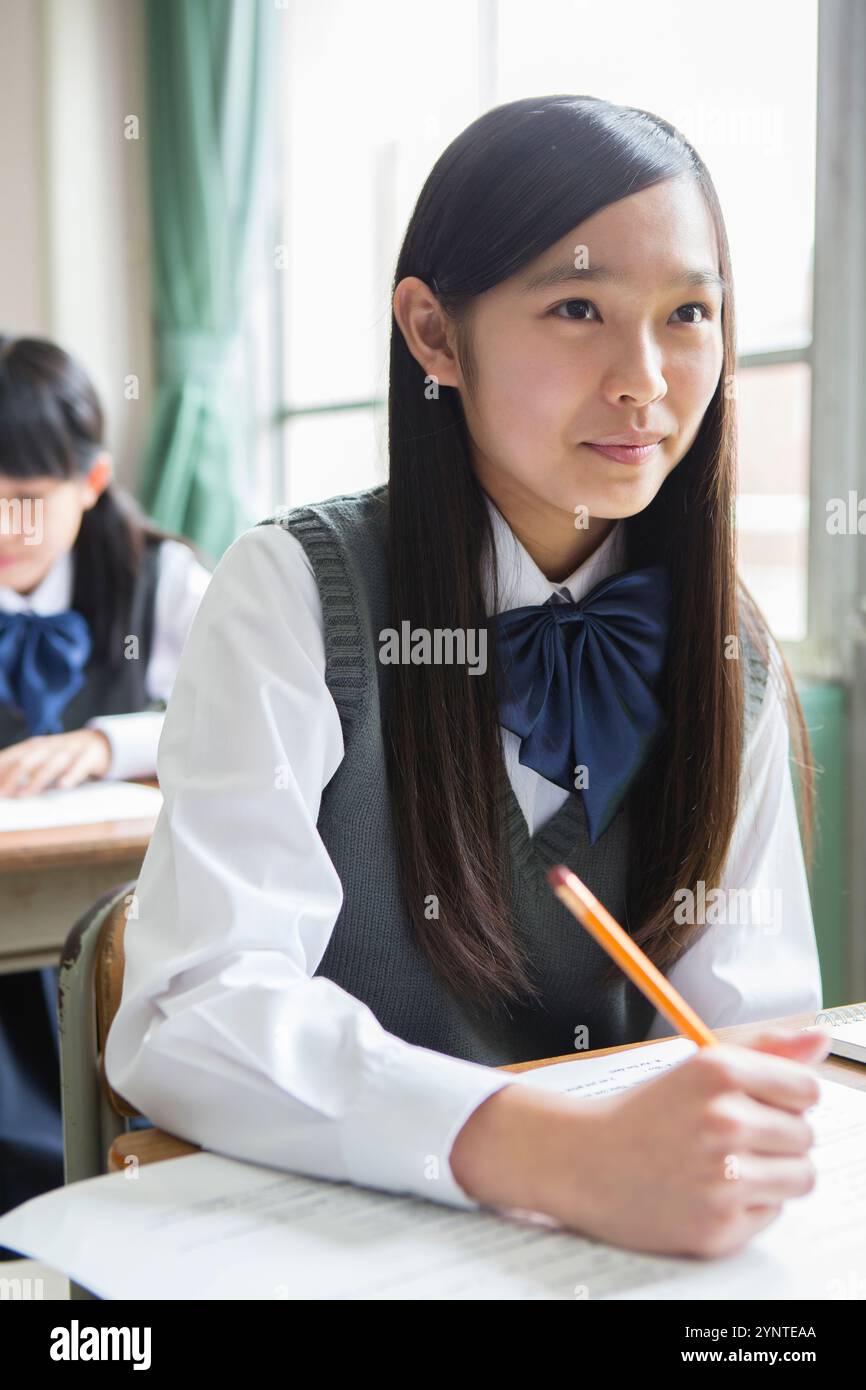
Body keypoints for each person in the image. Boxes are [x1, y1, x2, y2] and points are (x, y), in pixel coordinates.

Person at [105, 95, 829, 1261]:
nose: (643, 380)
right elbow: (194, 1011)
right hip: (327, 1250)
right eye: (578, 308)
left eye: (688, 312)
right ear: (435, 335)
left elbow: (751, 1022)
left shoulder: (722, 642)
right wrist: (539, 1148)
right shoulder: (293, 591)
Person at [0, 336, 212, 1249]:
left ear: (91, 481)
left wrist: (104, 742)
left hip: (116, 897)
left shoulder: (157, 576)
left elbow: (237, 715)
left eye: (23, 503)